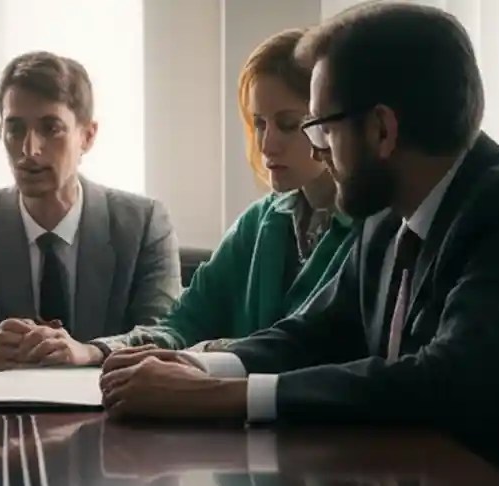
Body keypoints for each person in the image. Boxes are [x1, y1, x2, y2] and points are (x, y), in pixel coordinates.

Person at [100, 2, 499, 486]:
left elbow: (448, 383)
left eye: (320, 127)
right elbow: (316, 332)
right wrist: (200, 367)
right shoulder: (389, 212)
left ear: (382, 130)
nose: (317, 150)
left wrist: (220, 398)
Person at [64, 28, 357, 362]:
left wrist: (211, 352)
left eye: (288, 124)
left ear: (328, 123)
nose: (267, 145)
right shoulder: (260, 221)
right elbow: (182, 323)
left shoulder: (375, 229)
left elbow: (317, 354)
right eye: (260, 124)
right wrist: (94, 350)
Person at [0, 51, 182, 375]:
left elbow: (169, 335)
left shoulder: (143, 223)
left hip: (106, 403)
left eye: (51, 128)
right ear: (0, 132)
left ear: (87, 136)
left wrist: (91, 351)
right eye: (15, 130)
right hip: (2, 406)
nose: (30, 149)